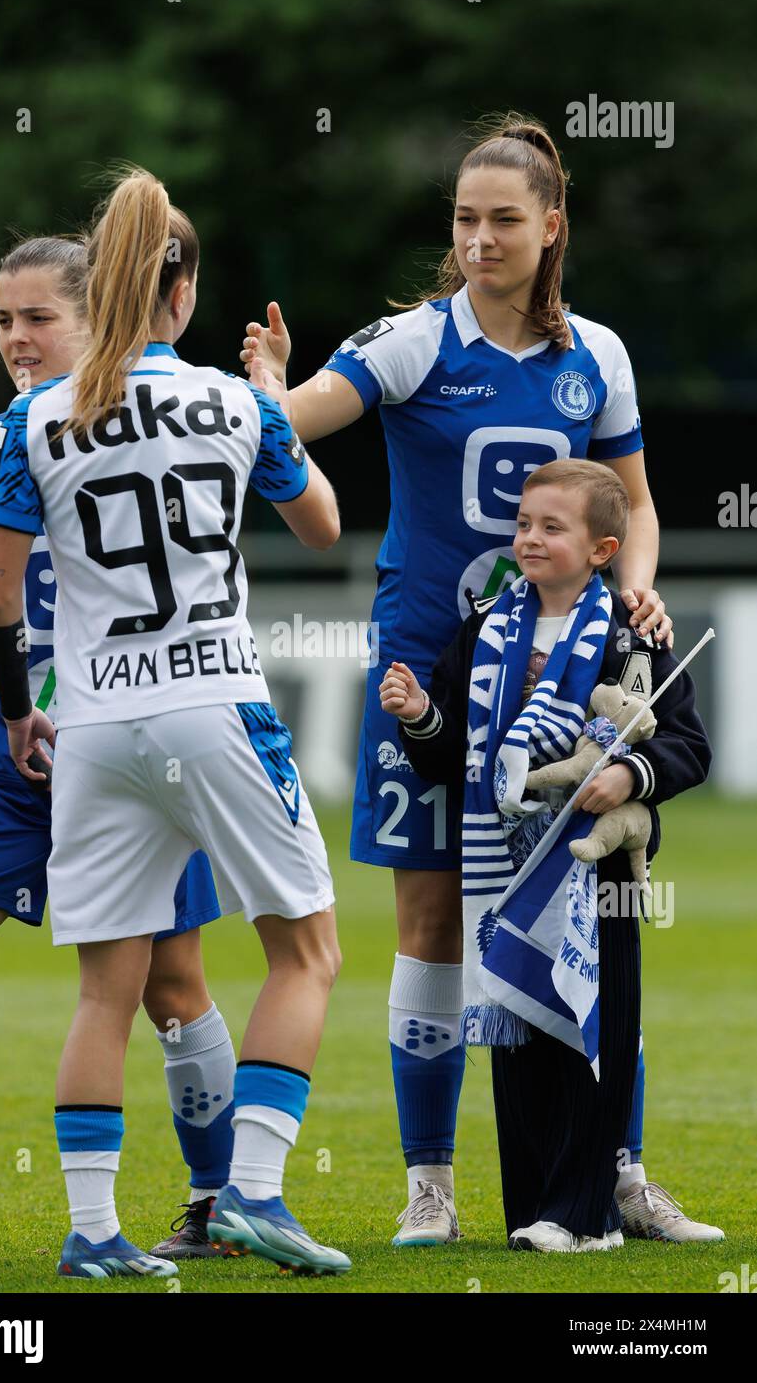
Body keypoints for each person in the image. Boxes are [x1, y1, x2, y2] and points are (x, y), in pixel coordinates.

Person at [240, 112, 720, 1246]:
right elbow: (296, 424)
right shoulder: (414, 340)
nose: (480, 239)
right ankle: (432, 1185)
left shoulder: (595, 354)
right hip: (432, 671)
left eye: (505, 219)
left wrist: (633, 592)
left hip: (561, 676)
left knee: (590, 918)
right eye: (464, 219)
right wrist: (264, 392)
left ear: (552, 227)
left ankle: (614, 1173)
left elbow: (634, 505)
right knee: (429, 923)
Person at [0, 167, 350, 1279]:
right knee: (307, 949)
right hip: (211, 698)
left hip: (88, 723)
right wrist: (272, 393)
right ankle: (256, 1190)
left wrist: (13, 714)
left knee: (106, 986)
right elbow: (323, 527)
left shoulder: (35, 417)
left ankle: (93, 1232)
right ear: (180, 296)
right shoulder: (235, 405)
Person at [0, 237, 235, 1266]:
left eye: (38, 317)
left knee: (172, 990)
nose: (16, 339)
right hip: (6, 748)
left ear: (98, 317)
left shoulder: (149, 427)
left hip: (132, 742)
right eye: (3, 320)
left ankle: (217, 1201)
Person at [380, 459, 713, 1249]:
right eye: (523, 523)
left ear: (601, 549)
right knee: (519, 1037)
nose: (528, 538)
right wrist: (421, 713)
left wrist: (629, 774)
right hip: (507, 876)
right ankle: (534, 1209)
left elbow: (686, 746)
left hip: (597, 874)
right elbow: (446, 756)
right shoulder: (486, 626)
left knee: (595, 1027)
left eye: (550, 527)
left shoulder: (634, 635)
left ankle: (586, 1213)